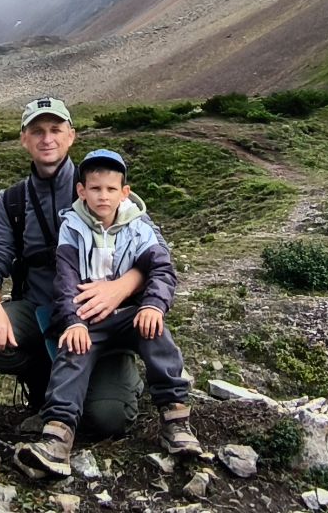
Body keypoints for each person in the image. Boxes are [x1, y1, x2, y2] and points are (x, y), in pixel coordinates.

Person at [14, 148, 200, 478]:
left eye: (111, 189)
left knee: (155, 331)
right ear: (81, 190)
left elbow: (162, 270)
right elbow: (66, 280)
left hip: (129, 314)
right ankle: (57, 436)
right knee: (73, 348)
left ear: (124, 192)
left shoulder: (139, 226)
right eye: (95, 188)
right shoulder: (71, 227)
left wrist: (153, 305)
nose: (103, 196)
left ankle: (175, 419)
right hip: (87, 318)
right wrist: (72, 321)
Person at [0, 97, 146, 438]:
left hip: (100, 317)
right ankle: (49, 378)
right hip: (40, 311)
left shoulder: (102, 187)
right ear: (24, 139)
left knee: (109, 419)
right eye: (37, 131)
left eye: (55, 129)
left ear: (71, 136)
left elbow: (152, 257)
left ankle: (115, 374)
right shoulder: (12, 200)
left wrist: (119, 289)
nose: (46, 139)